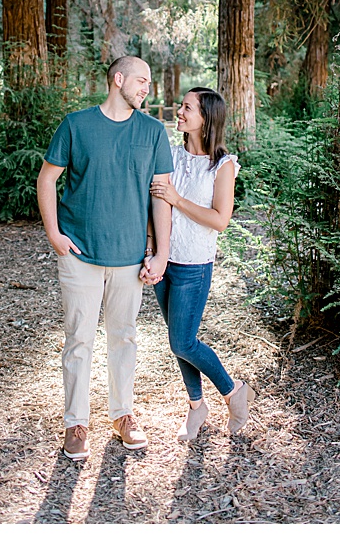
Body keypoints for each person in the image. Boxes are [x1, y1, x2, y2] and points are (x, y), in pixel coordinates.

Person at [37, 56, 174, 461]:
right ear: (118, 80)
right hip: (80, 253)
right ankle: (75, 422)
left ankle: (123, 416)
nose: (147, 88)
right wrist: (53, 234)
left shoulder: (152, 132)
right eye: (141, 80)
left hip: (130, 257)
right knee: (78, 339)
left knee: (124, 338)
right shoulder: (76, 125)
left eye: (148, 82)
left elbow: (161, 194)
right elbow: (47, 178)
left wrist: (161, 253)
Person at [147, 87, 255, 442]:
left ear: (206, 118)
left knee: (182, 342)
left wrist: (177, 199)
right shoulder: (171, 155)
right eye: (182, 106)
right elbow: (154, 203)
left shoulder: (223, 166)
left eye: (187, 108)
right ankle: (197, 407)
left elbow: (220, 219)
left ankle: (233, 391)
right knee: (179, 339)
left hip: (195, 265)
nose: (179, 112)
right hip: (165, 259)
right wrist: (152, 248)